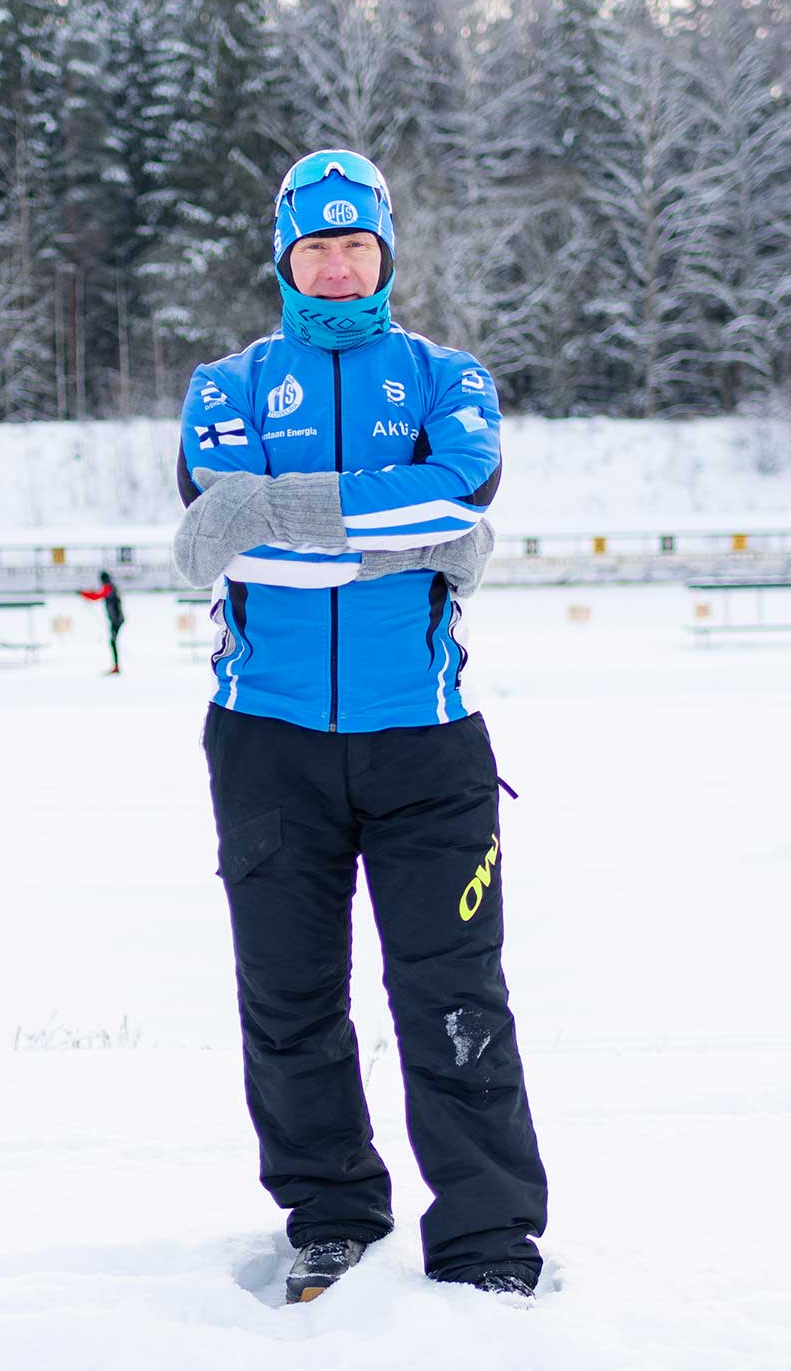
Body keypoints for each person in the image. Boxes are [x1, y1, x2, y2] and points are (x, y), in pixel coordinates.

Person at [172, 149, 544, 1305]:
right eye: (315, 246)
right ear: (285, 257)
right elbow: (215, 542)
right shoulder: (224, 387)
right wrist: (393, 533)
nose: (336, 266)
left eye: (356, 244)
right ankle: (330, 1213)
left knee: (453, 995)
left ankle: (487, 1239)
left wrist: (286, 515)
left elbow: (459, 500)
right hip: (267, 739)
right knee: (288, 997)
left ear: (385, 251)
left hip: (425, 739)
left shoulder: (447, 378)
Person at [79, 569, 125, 675]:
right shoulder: (111, 588)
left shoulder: (108, 588)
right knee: (112, 642)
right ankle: (116, 665)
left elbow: (96, 596)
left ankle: (116, 666)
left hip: (116, 620)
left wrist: (83, 594)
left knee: (113, 642)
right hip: (116, 619)